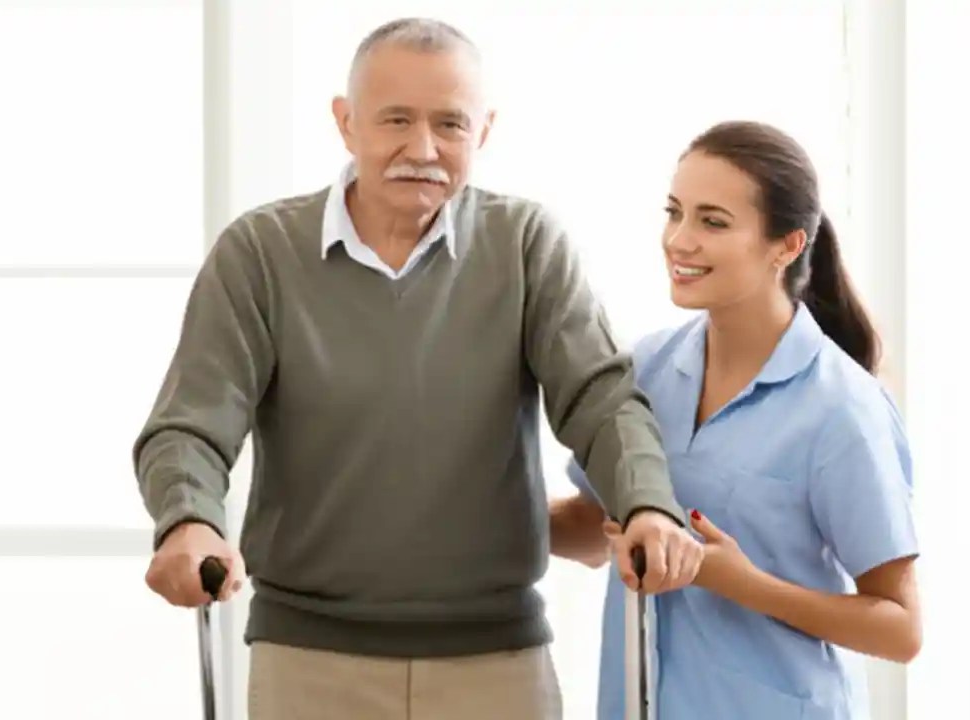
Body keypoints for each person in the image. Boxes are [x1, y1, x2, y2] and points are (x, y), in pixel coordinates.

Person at [132, 16, 703, 720]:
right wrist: (188, 520)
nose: (422, 148)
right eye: (395, 120)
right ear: (346, 123)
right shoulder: (260, 252)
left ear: (484, 132)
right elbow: (190, 424)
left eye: (450, 125)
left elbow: (602, 398)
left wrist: (646, 503)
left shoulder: (525, 244)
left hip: (496, 662)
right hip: (307, 661)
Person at [550, 120, 922, 719]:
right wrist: (480, 518)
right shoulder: (646, 368)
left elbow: (900, 630)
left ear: (787, 246)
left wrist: (740, 582)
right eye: (675, 213)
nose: (679, 240)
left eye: (712, 221)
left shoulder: (840, 408)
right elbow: (596, 527)